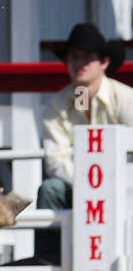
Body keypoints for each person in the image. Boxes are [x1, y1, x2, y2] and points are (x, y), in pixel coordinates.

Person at [38, 23, 133, 210]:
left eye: (87, 57)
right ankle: (54, 241)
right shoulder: (56, 106)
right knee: (50, 190)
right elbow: (56, 161)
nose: (79, 64)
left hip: (123, 185)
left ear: (104, 62)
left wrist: (111, 183)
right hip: (77, 186)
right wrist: (90, 185)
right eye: (74, 56)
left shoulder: (126, 98)